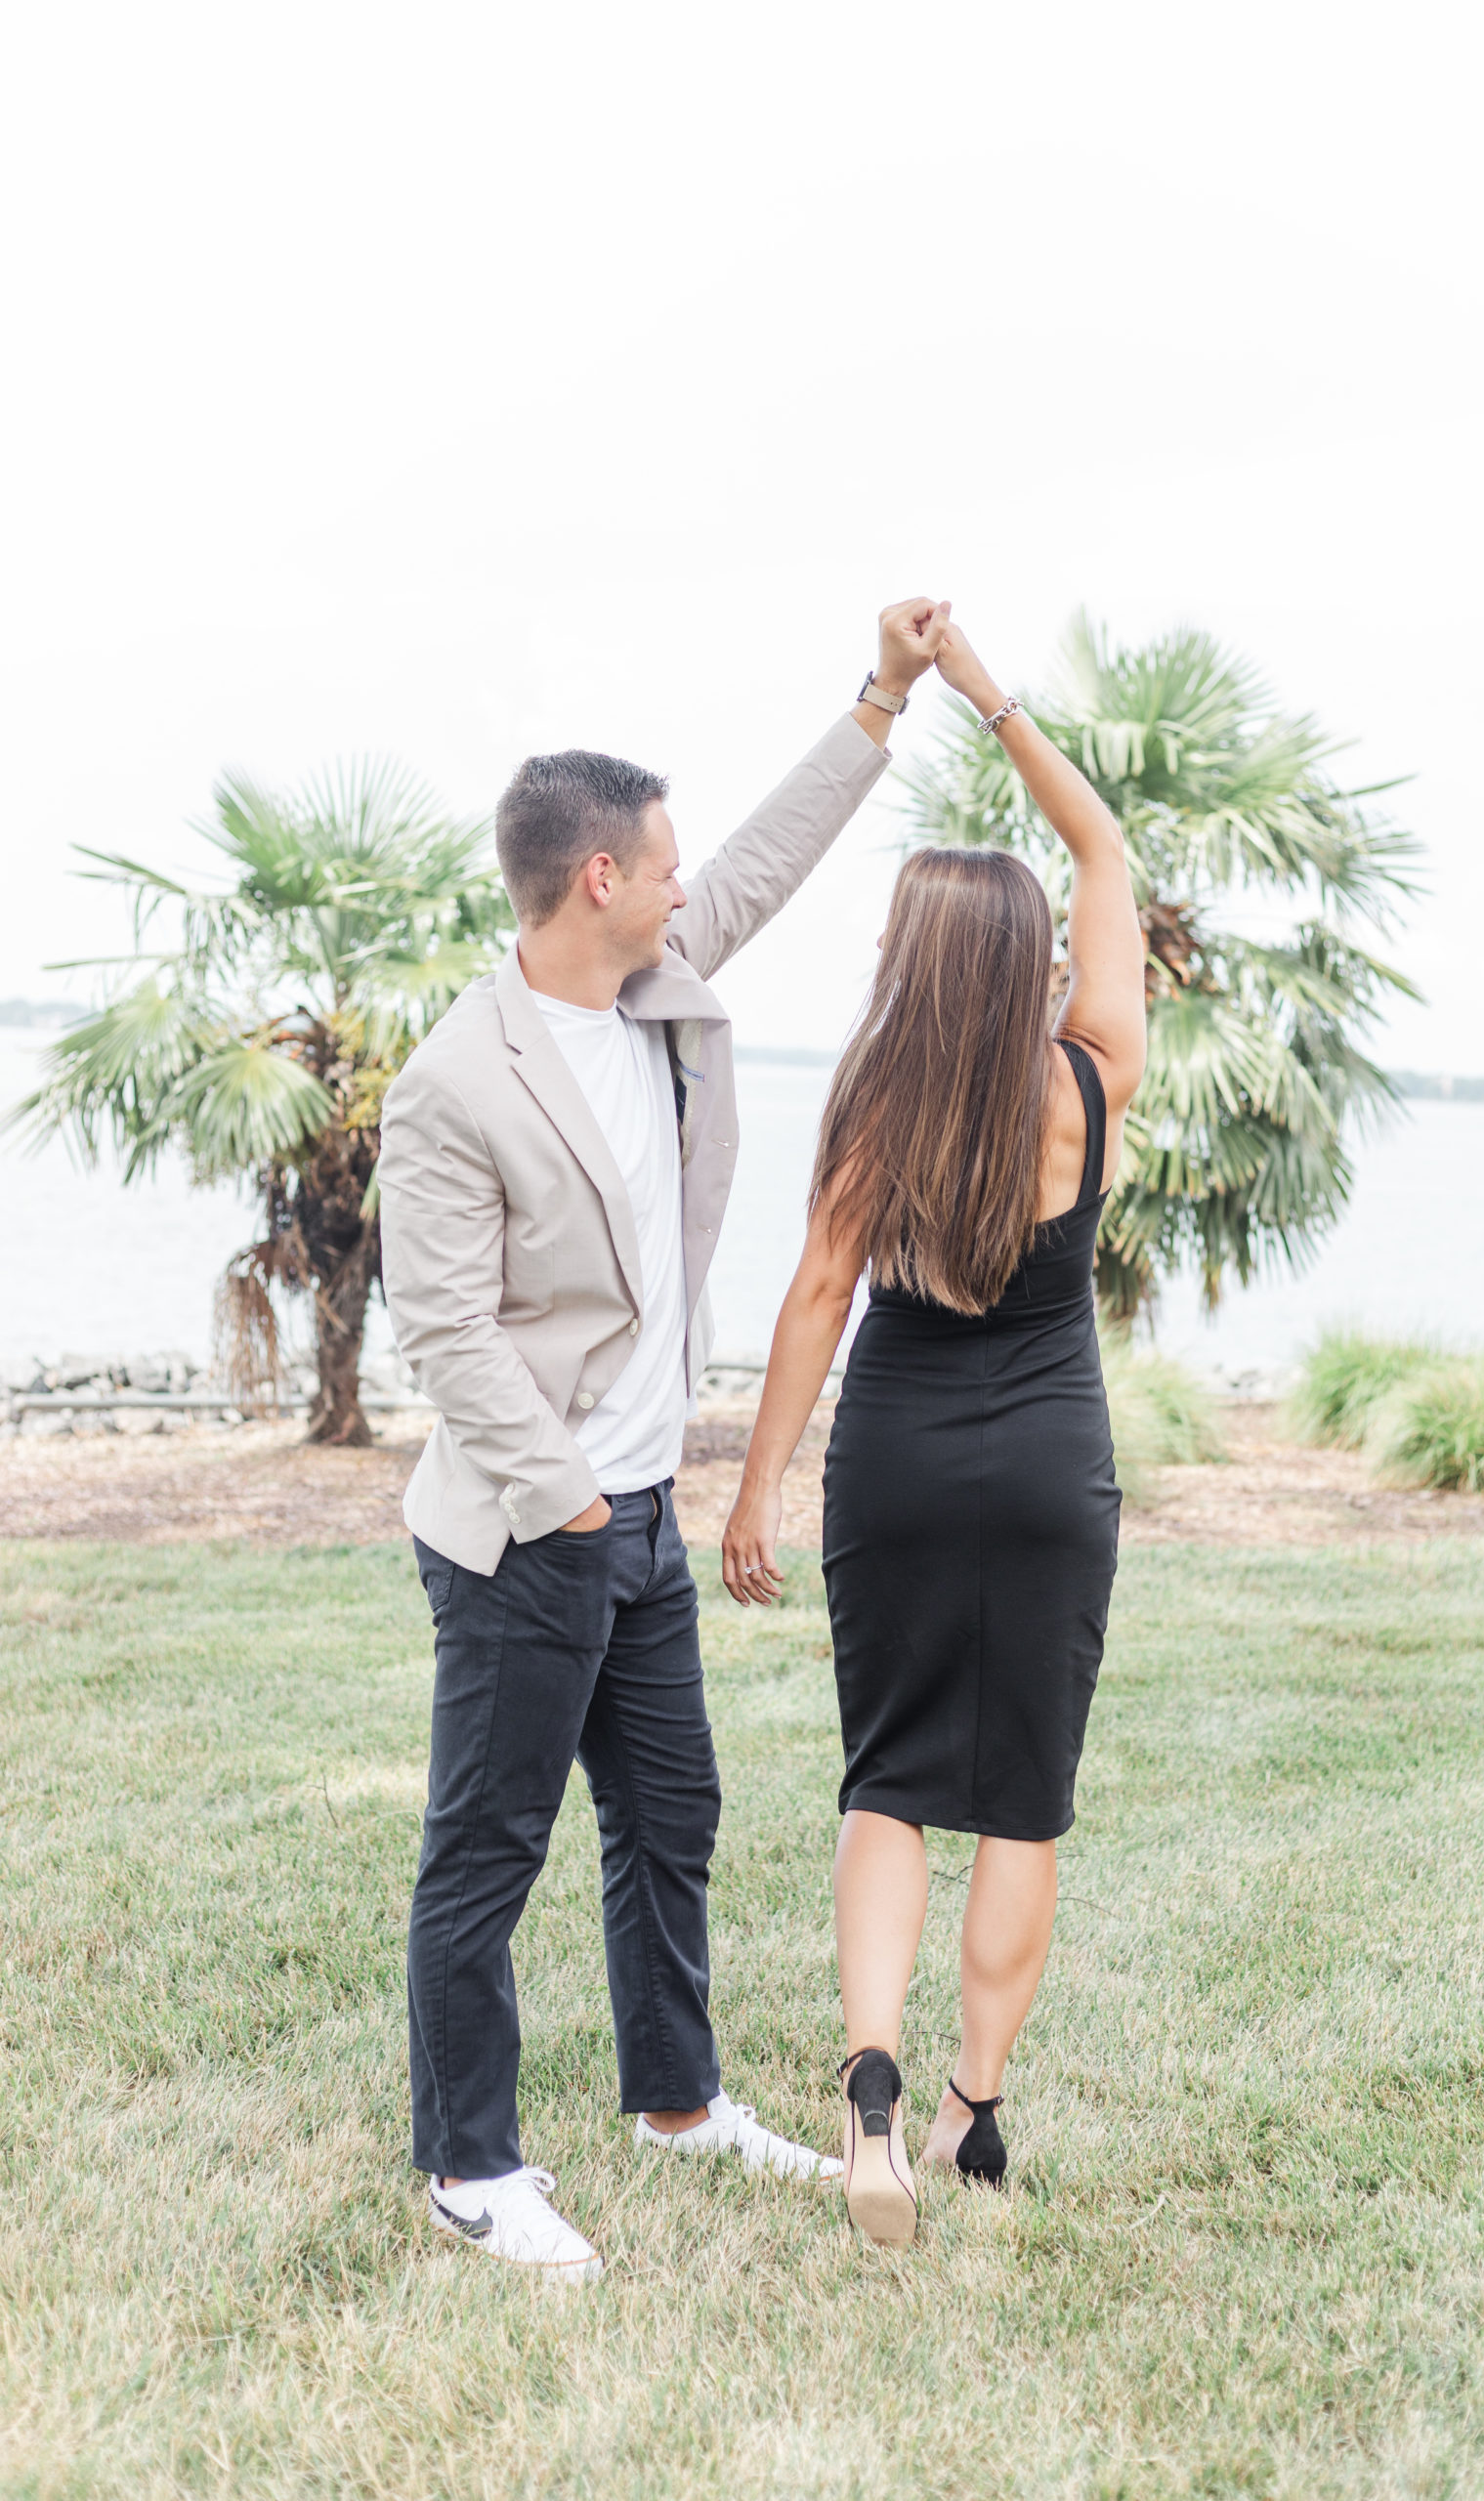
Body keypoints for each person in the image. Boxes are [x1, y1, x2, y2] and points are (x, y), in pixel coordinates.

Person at [377, 596, 952, 2281]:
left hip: (641, 1520)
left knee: (671, 1813)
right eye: (665, 864)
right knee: (485, 1852)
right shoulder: (455, 1081)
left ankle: (678, 2104)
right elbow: (446, 1332)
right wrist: (564, 1505)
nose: (691, 883)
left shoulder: (657, 991)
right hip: (526, 1526)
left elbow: (765, 860)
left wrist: (879, 701)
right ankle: (472, 2166)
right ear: (596, 882)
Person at [720, 618, 1147, 2247]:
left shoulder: (876, 1090)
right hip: (1049, 1471)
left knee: (888, 1782)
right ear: (1031, 956)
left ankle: (874, 2094)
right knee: (1023, 1801)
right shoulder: (1090, 1077)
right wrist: (983, 683)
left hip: (893, 1460)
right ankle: (975, 2110)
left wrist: (758, 1483)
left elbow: (819, 1296)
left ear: (908, 964)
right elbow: (1100, 839)